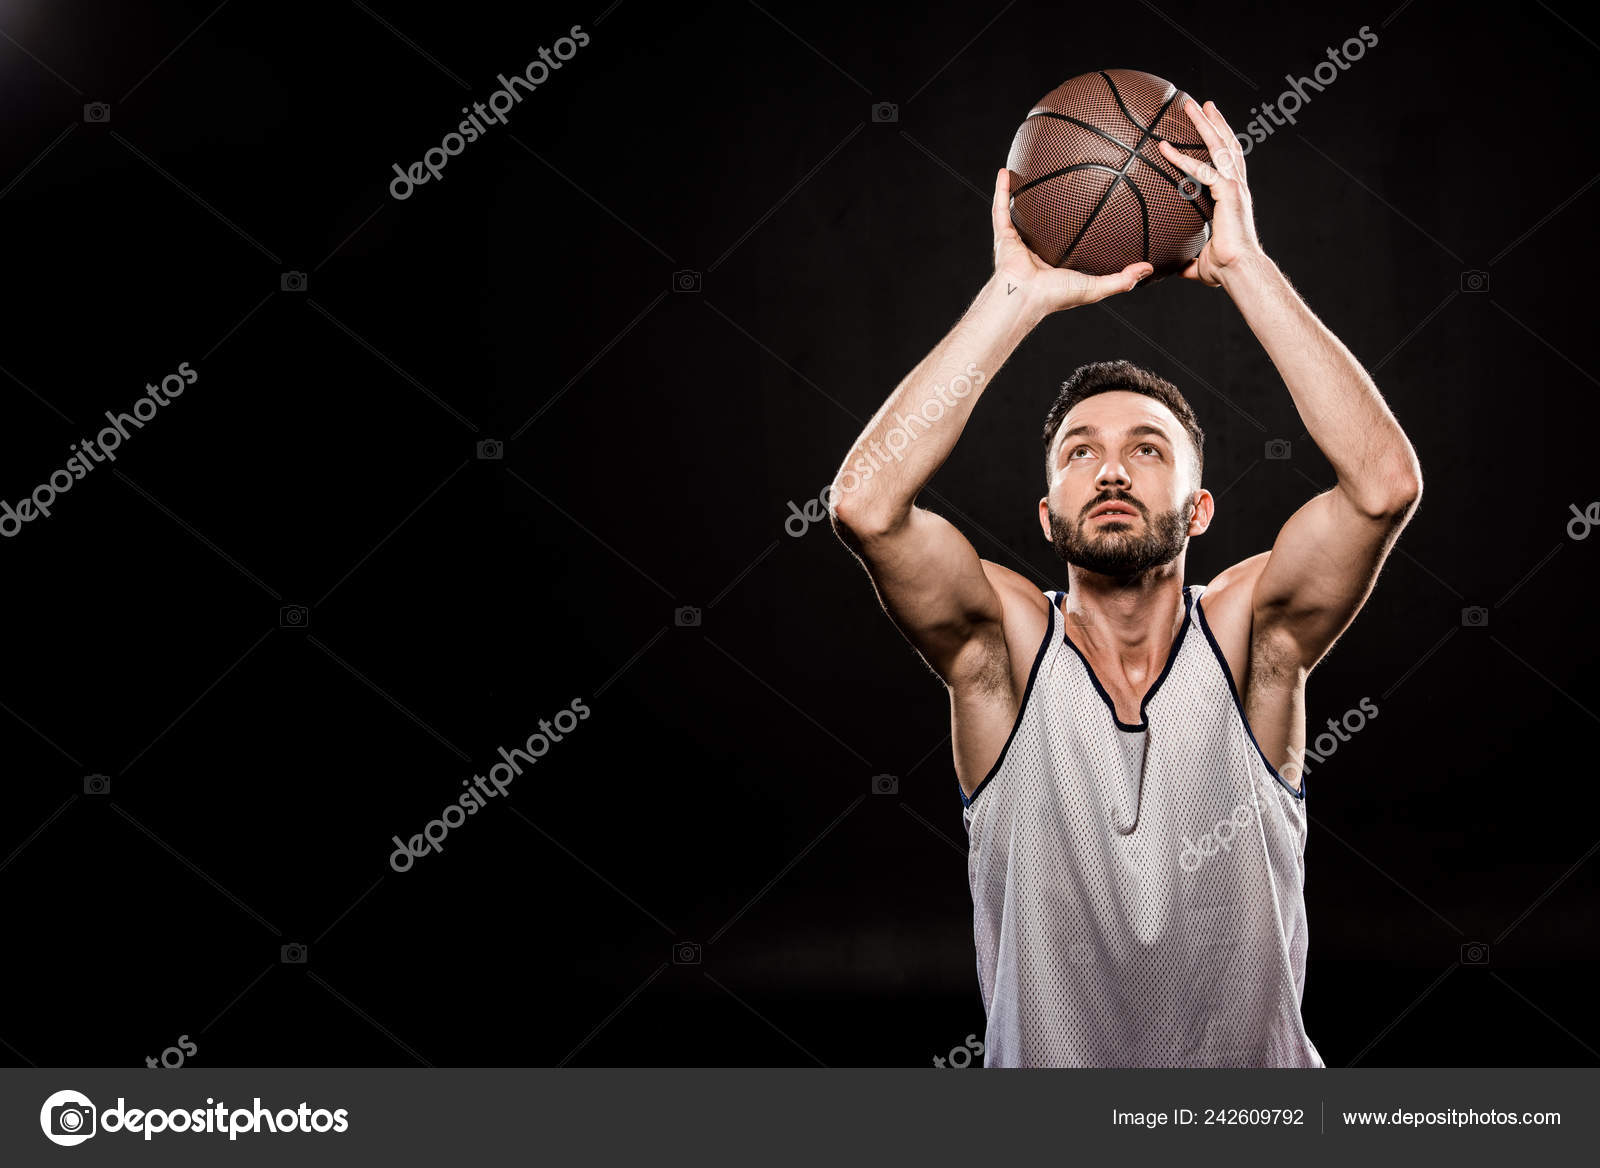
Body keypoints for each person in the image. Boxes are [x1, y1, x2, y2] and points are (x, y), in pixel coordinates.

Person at [828, 99, 1421, 1067]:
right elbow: (864, 507)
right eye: (1079, 452)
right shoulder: (1002, 650)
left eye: (1147, 449)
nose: (1110, 470)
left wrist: (1244, 266)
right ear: (1044, 513)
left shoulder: (1253, 636)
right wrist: (1012, 299)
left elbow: (1384, 486)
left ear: (1200, 509)